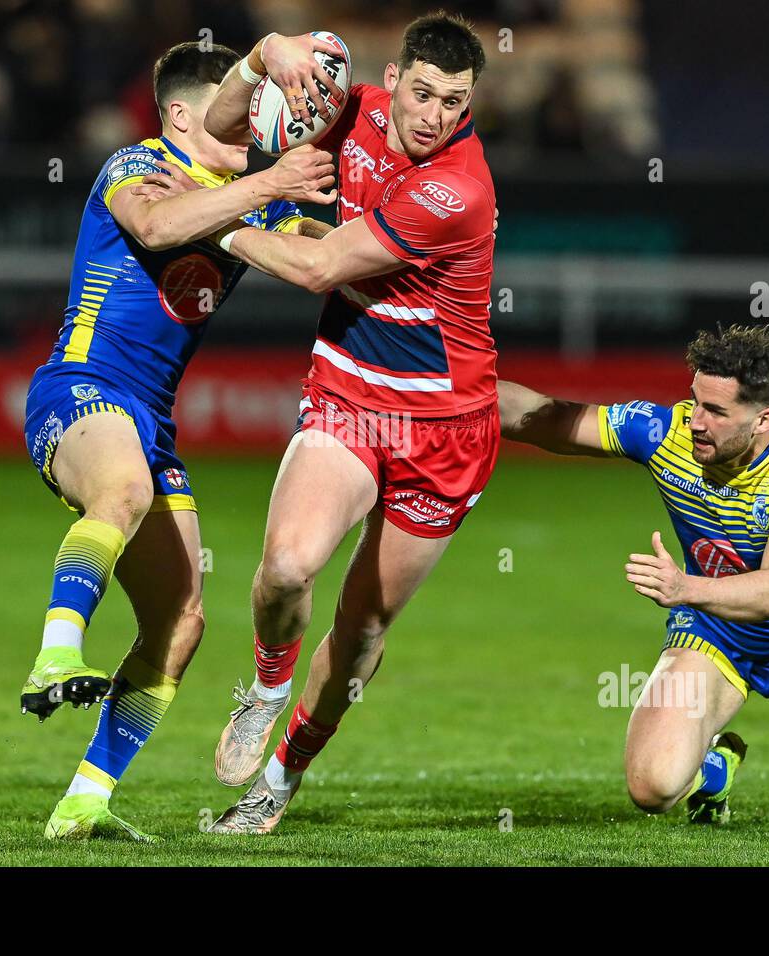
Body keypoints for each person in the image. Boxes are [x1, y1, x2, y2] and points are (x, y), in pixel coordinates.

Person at [19, 40, 336, 841]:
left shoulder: (245, 195)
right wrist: (267, 181)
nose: (250, 138)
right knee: (120, 488)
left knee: (182, 621)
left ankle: (85, 802)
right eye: (237, 122)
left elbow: (322, 257)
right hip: (81, 388)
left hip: (150, 421)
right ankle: (57, 651)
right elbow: (158, 226)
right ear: (184, 115)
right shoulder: (138, 165)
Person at [200, 12, 499, 834]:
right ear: (395, 76)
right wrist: (265, 56)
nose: (436, 115)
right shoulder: (353, 107)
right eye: (425, 92)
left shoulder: (459, 187)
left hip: (446, 431)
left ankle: (278, 782)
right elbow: (224, 126)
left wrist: (218, 217)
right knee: (289, 567)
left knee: (362, 632)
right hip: (351, 395)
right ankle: (264, 690)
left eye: (456, 101)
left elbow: (321, 266)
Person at [498, 324, 769, 823]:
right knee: (651, 789)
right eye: (695, 401)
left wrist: (684, 587)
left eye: (717, 412)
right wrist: (441, 390)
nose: (696, 421)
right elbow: (541, 419)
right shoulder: (667, 433)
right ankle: (715, 771)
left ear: (765, 420)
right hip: (715, 628)